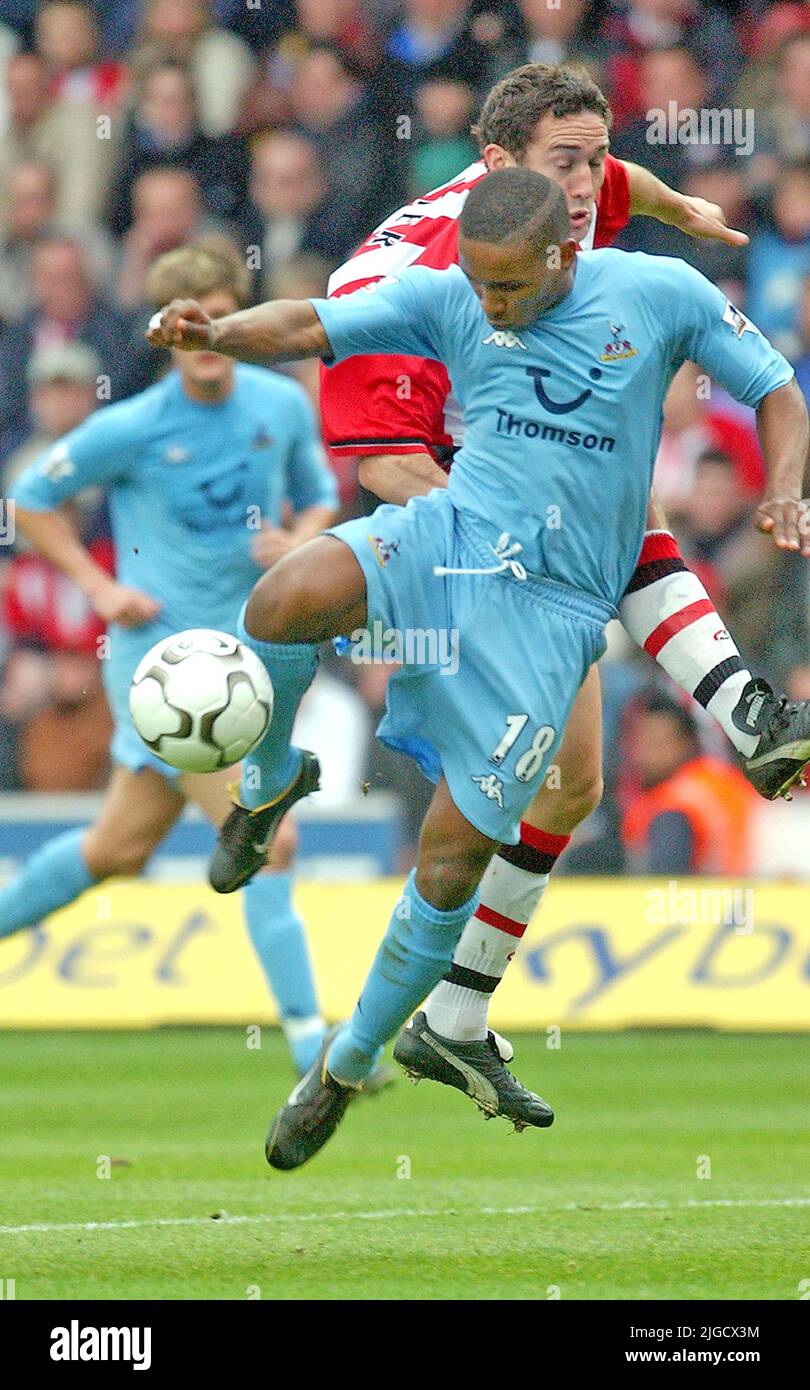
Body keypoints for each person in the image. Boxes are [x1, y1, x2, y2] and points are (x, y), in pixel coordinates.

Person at [148, 165, 810, 1169]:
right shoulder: (456, 293)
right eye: (480, 284)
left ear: (562, 255)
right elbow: (313, 323)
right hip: (446, 540)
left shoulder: (659, 295)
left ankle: (344, 1062)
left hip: (548, 620)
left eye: (508, 286)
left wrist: (788, 491)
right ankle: (269, 776)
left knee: (451, 857)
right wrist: (213, 335)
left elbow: (778, 390)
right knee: (281, 599)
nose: (491, 303)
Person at [313, 61, 809, 1123]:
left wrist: (681, 204)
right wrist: (513, 523)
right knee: (475, 821)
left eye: (594, 164)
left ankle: (451, 1017)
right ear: (497, 172)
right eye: (565, 167)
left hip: (531, 516)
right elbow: (379, 461)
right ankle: (743, 710)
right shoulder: (397, 289)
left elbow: (613, 175)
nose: (588, 189)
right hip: (447, 549)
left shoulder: (544, 210)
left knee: (575, 785)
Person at [3, 244, 339, 1078]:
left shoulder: (280, 403)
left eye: (214, 319)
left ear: (233, 316)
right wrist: (97, 586)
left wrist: (298, 537)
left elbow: (322, 492)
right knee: (269, 836)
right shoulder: (135, 425)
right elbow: (32, 501)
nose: (201, 339)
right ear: (164, 334)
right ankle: (314, 1047)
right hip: (165, 667)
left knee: (115, 848)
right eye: (184, 327)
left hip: (247, 655)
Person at [622, 695, 758, 874]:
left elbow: (667, 874)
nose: (644, 755)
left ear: (686, 743)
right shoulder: (722, 779)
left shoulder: (676, 802)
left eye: (656, 744)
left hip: (705, 896)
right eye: (640, 743)